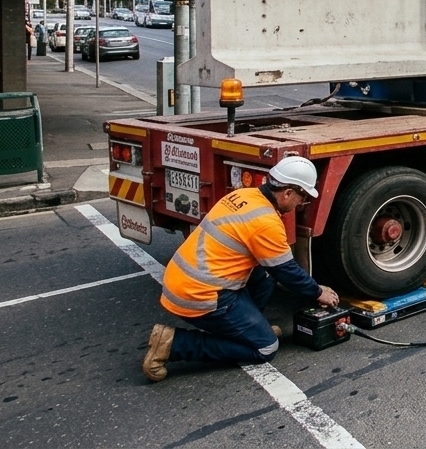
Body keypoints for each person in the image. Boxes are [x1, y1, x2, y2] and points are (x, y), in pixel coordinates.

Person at [142, 156, 340, 382]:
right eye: (302, 197)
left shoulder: (242, 195)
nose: (301, 203)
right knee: (266, 348)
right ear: (287, 193)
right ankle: (174, 343)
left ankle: (248, 329)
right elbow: (287, 271)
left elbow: (274, 268)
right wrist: (318, 292)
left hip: (184, 280)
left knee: (266, 273)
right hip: (200, 295)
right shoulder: (266, 222)